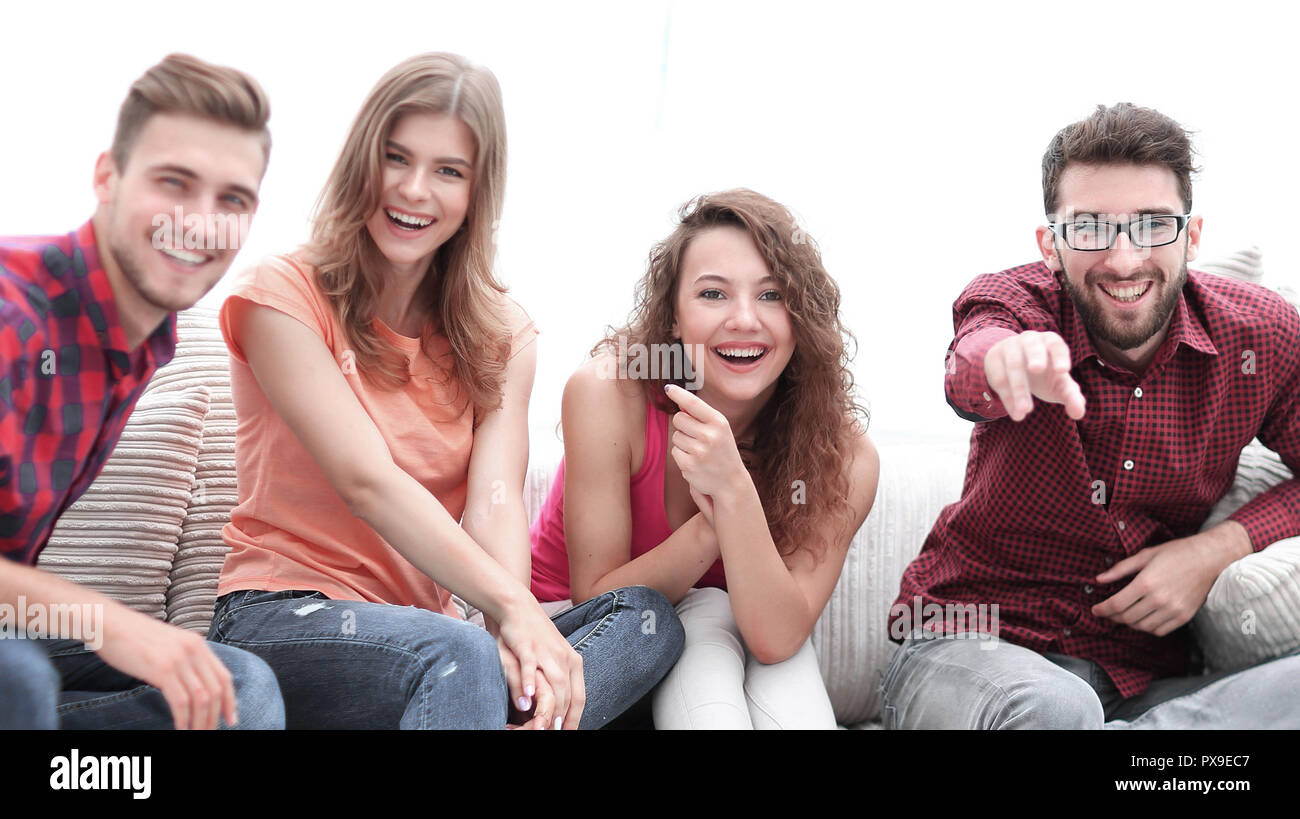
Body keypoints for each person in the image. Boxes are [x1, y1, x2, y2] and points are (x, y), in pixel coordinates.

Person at [207, 52, 682, 730]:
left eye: (448, 171)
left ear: (477, 191)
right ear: (362, 161)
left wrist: (508, 626)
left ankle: (487, 709)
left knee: (643, 619)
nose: (414, 190)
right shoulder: (281, 295)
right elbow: (367, 481)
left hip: (436, 642)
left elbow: (494, 504)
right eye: (395, 158)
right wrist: (511, 612)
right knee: (460, 654)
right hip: (282, 619)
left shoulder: (502, 333)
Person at [883, 102, 1300, 729]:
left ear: (1192, 236)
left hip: (1142, 679)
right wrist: (1002, 362)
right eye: (1089, 228)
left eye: (1153, 225)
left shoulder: (1261, 335)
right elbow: (972, 362)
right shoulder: (1014, 304)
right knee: (1056, 708)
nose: (1124, 260)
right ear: (1050, 245)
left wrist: (1216, 549)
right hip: (971, 649)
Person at [0, 54, 284, 730]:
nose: (200, 224)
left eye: (232, 200)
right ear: (108, 176)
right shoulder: (15, 317)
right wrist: (103, 619)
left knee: (233, 688)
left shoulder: (144, 341)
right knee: (19, 679)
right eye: (174, 183)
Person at [530, 189, 879, 729]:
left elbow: (777, 638)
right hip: (587, 644)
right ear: (673, 316)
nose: (744, 319)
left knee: (745, 635)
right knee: (711, 607)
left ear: (801, 317)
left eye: (772, 295)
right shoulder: (607, 393)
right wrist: (713, 521)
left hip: (725, 654)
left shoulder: (844, 457)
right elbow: (600, 598)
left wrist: (734, 492)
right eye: (713, 294)